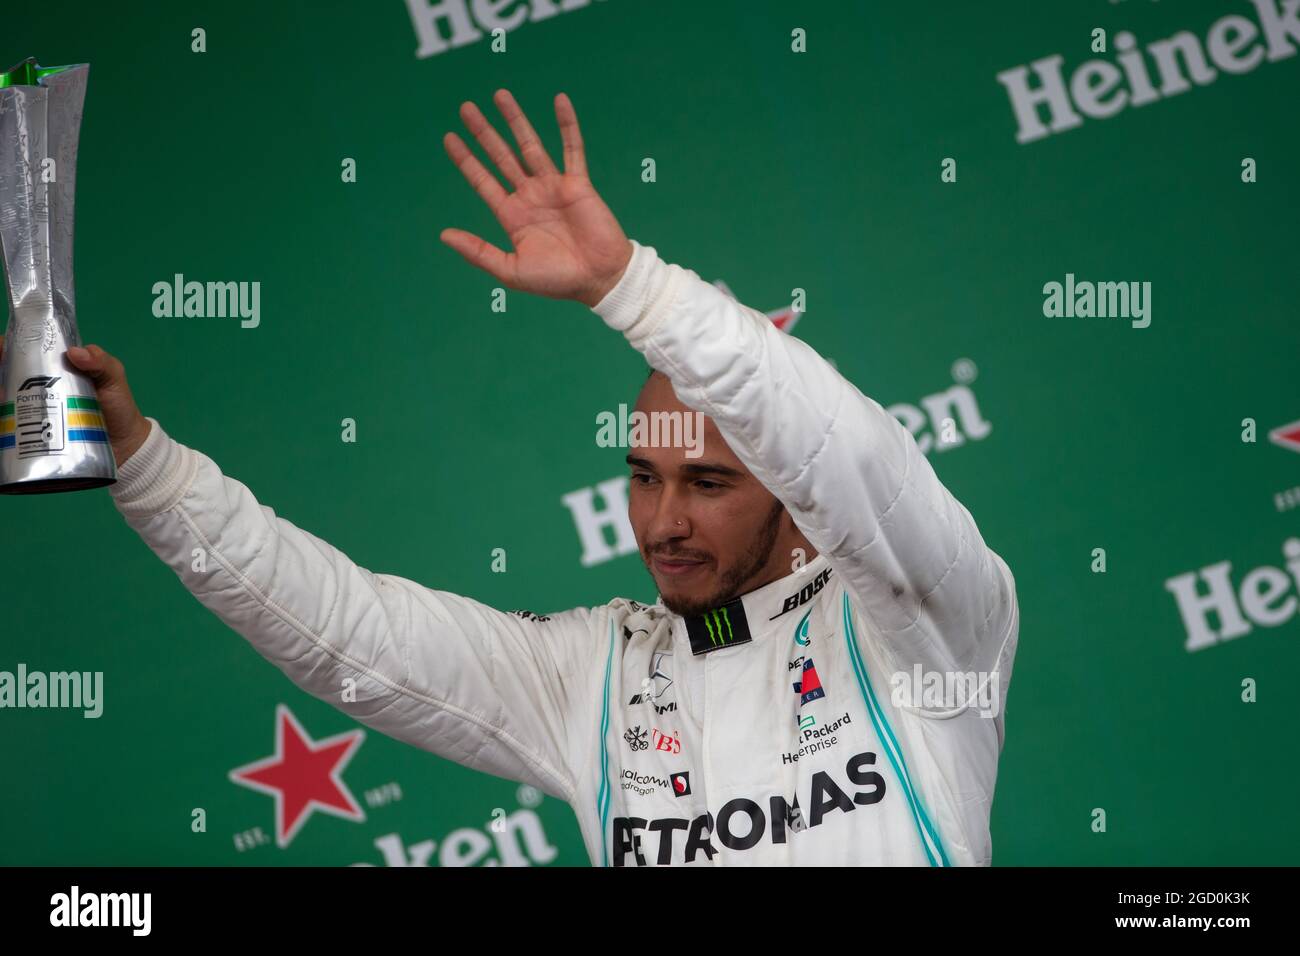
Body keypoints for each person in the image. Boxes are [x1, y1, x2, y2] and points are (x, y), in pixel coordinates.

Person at [7, 89, 1019, 866]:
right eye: (641, 475)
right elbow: (348, 629)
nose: (662, 520)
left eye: (708, 484)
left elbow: (850, 458)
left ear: (794, 497)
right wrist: (148, 467)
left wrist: (637, 289)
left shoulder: (918, 627)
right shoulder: (600, 673)